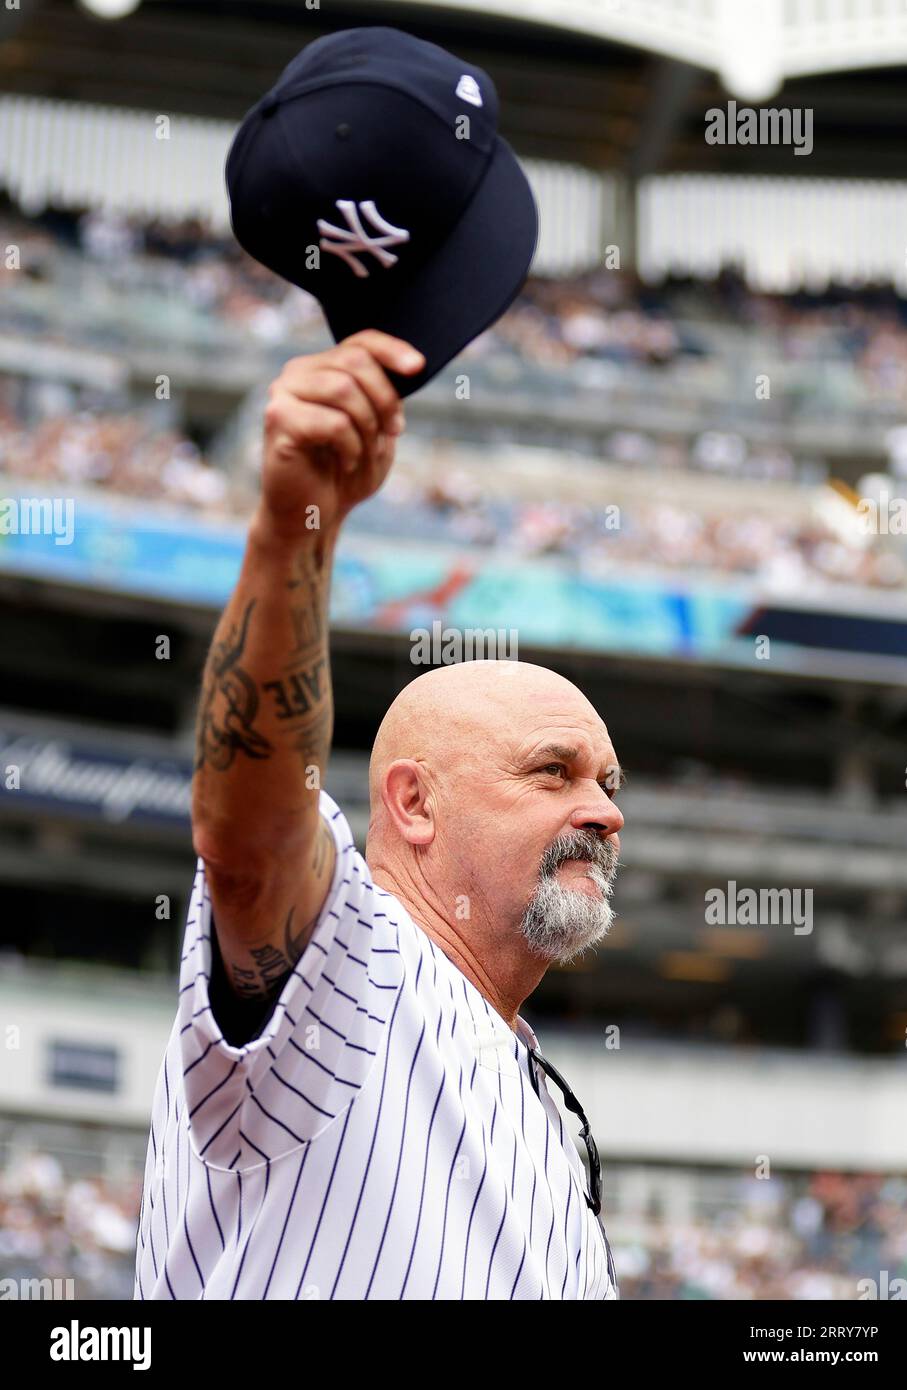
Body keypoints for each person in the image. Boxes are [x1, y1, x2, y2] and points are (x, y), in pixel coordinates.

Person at [135, 331, 621, 1300]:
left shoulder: (543, 1112)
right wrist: (295, 528)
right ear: (413, 802)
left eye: (609, 782)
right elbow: (250, 840)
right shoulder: (355, 964)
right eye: (553, 771)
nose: (601, 812)